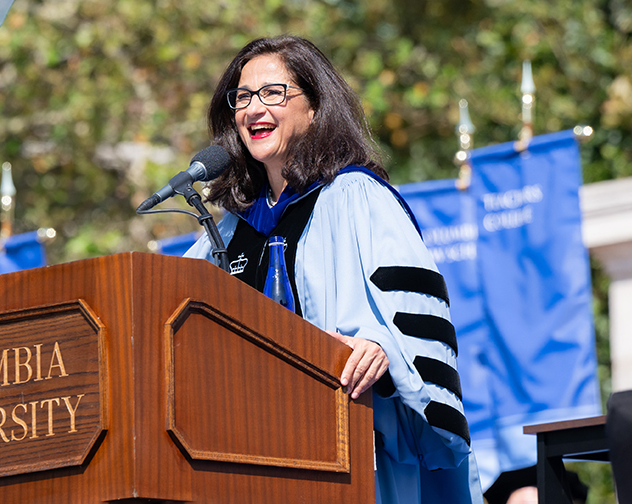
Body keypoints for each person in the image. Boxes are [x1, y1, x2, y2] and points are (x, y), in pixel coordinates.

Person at [184, 35, 484, 503]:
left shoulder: (357, 197)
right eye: (242, 97)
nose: (253, 109)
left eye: (273, 93)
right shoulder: (227, 232)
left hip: (347, 445)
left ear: (316, 108)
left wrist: (381, 346)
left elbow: (413, 312)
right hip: (245, 454)